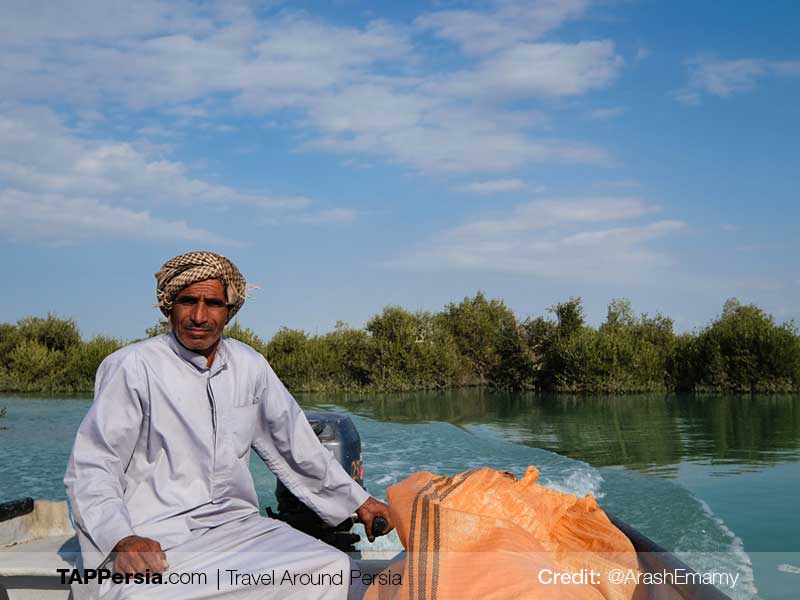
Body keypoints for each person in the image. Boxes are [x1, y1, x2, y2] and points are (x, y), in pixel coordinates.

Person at [64, 251, 393, 599]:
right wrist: (121, 538)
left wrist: (359, 502)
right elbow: (93, 467)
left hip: (237, 527)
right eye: (187, 301)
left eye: (213, 303)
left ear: (229, 310)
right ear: (169, 306)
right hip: (154, 534)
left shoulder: (249, 365)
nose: (199, 316)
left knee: (332, 570)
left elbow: (296, 445)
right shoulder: (133, 367)